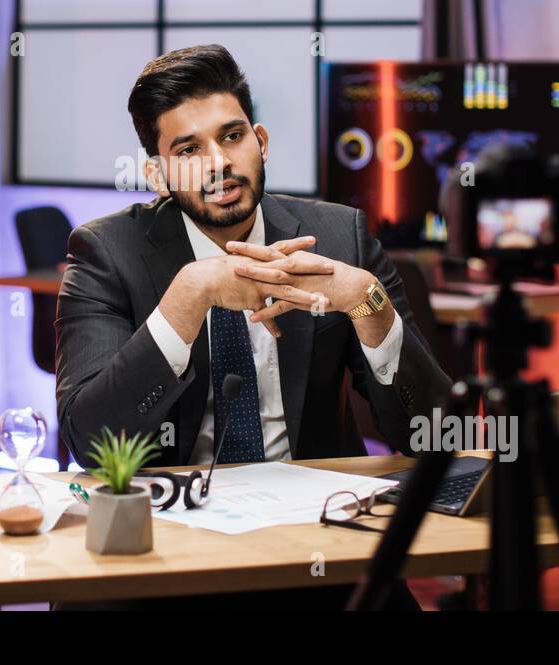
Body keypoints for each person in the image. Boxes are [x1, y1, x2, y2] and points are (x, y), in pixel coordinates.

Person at [53, 44, 453, 610]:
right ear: (160, 174)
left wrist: (370, 306)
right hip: (167, 551)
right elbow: (91, 441)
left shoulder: (341, 240)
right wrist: (189, 296)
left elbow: (434, 435)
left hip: (319, 544)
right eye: (188, 149)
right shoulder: (105, 253)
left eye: (232, 136)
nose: (218, 162)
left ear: (260, 141)